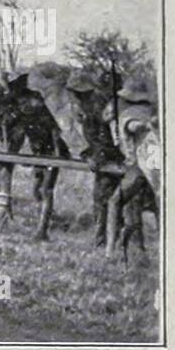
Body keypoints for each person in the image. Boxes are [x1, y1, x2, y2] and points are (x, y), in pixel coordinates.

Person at [0, 61, 71, 240]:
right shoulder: (14, 103)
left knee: (45, 189)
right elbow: (4, 124)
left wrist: (56, 155)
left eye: (14, 86)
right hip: (37, 148)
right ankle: (41, 221)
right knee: (37, 189)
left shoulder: (32, 100)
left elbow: (53, 129)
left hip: (50, 148)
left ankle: (42, 230)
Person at [66, 68, 124, 246]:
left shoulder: (97, 103)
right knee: (104, 197)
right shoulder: (87, 104)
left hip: (112, 156)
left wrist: (98, 155)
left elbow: (108, 137)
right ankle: (109, 237)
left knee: (103, 197)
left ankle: (104, 239)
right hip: (102, 153)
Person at [104, 78, 160, 259]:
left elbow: (134, 126)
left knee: (115, 202)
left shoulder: (130, 114)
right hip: (150, 166)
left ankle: (110, 250)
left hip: (142, 168)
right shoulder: (149, 111)